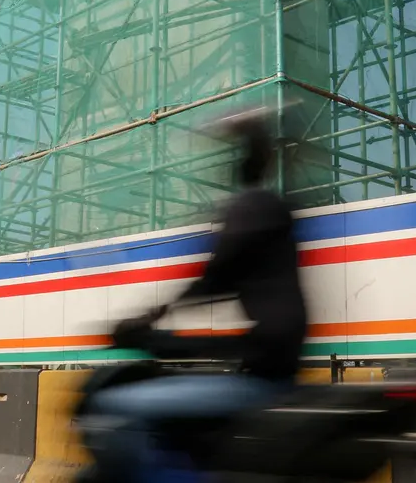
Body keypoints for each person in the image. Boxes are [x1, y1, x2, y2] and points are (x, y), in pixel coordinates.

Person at [82, 105, 309, 483]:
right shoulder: (271, 216)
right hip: (267, 371)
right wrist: (162, 333)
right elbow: (218, 285)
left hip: (262, 382)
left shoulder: (255, 208)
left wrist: (148, 322)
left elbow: (212, 279)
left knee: (115, 409)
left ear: (247, 157)